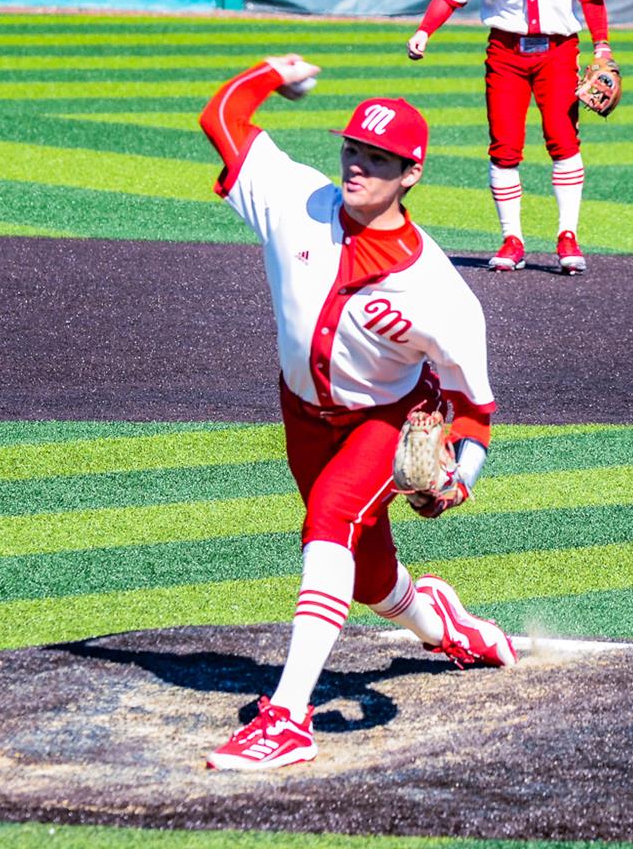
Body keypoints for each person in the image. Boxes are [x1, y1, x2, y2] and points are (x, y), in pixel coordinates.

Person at [197, 54, 518, 772]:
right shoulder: (296, 199)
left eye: (379, 159)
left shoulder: (438, 292)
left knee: (329, 520)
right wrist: (272, 71)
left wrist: (458, 479)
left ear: (412, 174)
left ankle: (287, 718)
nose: (358, 167)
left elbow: (475, 412)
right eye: (352, 150)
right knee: (369, 576)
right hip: (303, 416)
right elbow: (221, 119)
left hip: (383, 418)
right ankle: (445, 625)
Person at [407, 0, 612, 275]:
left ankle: (567, 235)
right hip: (505, 54)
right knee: (504, 145)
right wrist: (425, 31)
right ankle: (512, 239)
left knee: (563, 139)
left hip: (557, 53)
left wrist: (602, 47)